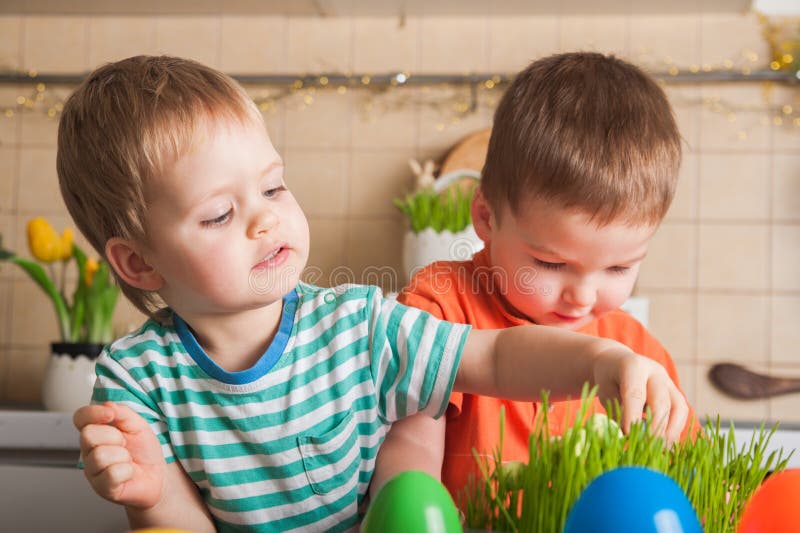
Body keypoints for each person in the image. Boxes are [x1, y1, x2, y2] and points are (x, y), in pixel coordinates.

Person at [61, 55, 688, 532]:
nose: (266, 220)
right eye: (220, 214)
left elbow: (495, 357)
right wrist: (153, 498)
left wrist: (597, 360)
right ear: (139, 262)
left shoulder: (360, 325)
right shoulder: (136, 382)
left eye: (273, 188)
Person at [376, 51, 701, 504]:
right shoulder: (441, 307)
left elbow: (686, 481)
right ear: (486, 217)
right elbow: (408, 464)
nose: (582, 297)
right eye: (550, 264)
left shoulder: (639, 353)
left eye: (618, 268)